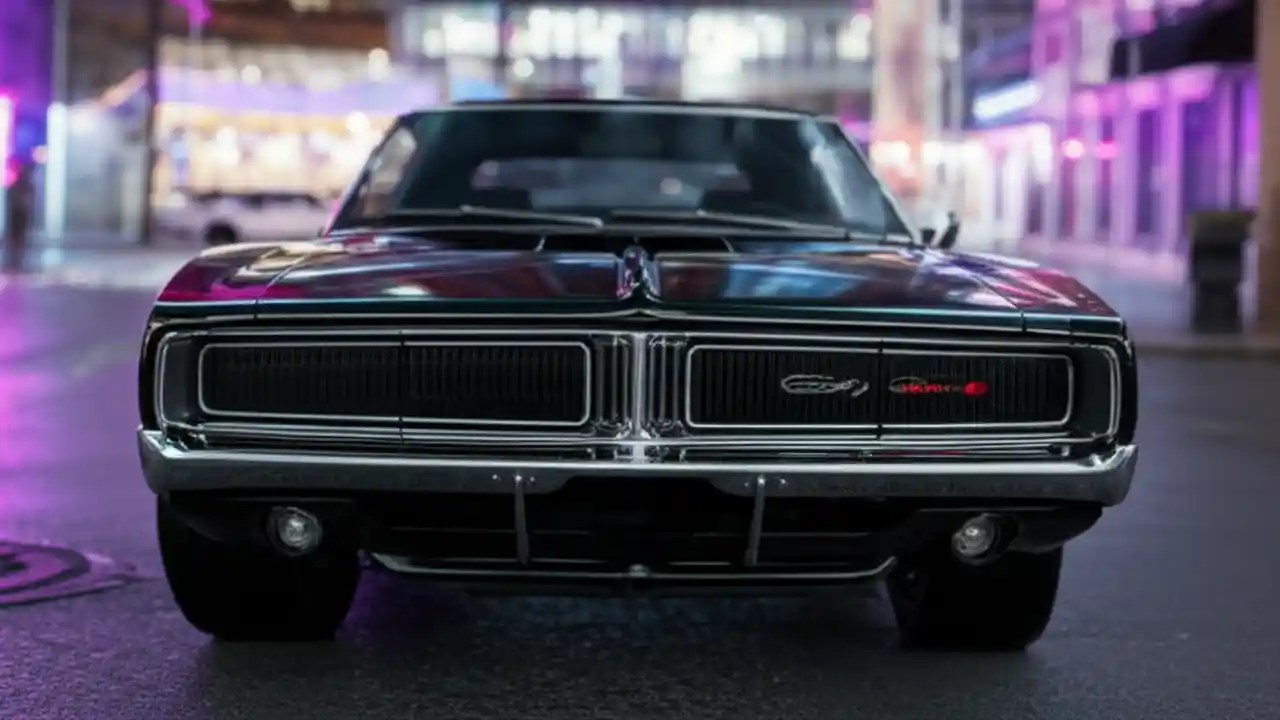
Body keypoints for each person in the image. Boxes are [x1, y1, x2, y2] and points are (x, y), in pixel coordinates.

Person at [3, 161, 35, 272]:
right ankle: (14, 259)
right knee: (16, 235)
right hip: (16, 214)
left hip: (20, 214)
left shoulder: (25, 184)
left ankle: (17, 259)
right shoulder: (14, 185)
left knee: (19, 236)